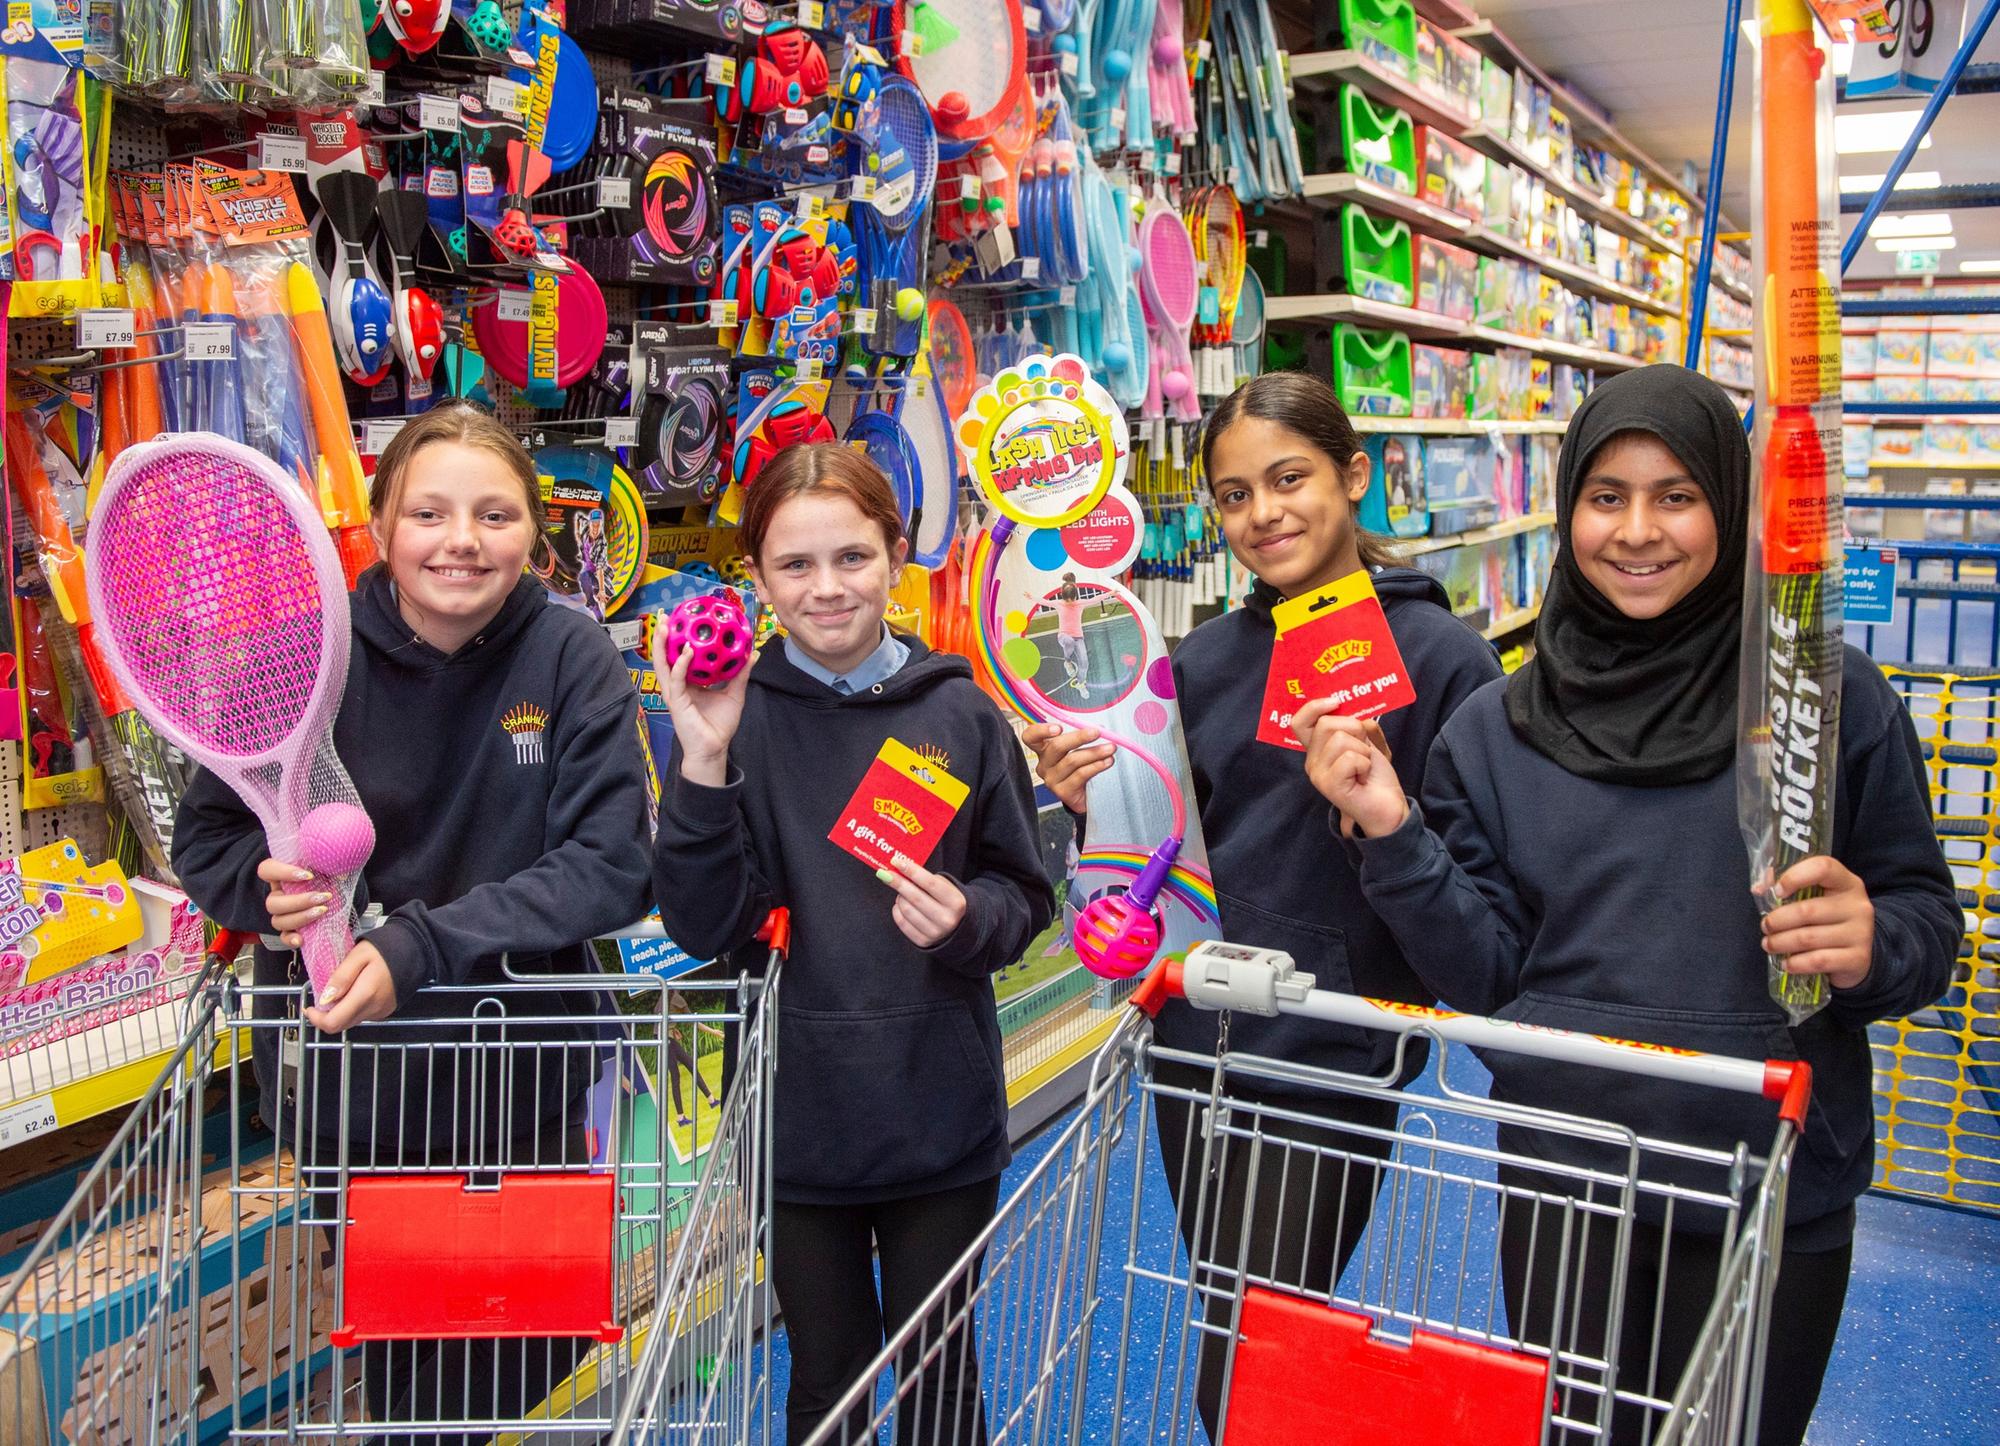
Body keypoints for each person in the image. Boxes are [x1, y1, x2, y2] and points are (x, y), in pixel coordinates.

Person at [1301, 364, 1961, 1445]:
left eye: (1677, 495)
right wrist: (1392, 829)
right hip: (1571, 1189)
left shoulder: (1825, 706)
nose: (1638, 531)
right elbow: (1485, 980)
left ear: (1728, 507)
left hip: (1771, 1190)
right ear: (1568, 511)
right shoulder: (1492, 733)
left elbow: (1925, 923)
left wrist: (1874, 940)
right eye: (1606, 496)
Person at [1026, 370, 1503, 1439]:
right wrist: (1099, 800)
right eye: (1234, 496)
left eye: (1289, 480)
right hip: (1195, 1042)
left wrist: (1381, 814)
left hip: (1329, 1055)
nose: (1263, 515)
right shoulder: (1198, 662)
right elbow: (1167, 849)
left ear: (1354, 476)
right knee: (1227, 1308)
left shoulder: (1444, 662)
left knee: (1245, 1356)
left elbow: (1470, 889)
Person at [173, 403, 654, 1443]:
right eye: (429, 513)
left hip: (518, 1081)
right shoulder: (305, 655)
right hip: (357, 1094)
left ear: (533, 530)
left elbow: (612, 863)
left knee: (524, 1347)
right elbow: (207, 839)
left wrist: (422, 945)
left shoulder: (569, 655)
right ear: (383, 524)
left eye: (495, 515)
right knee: (408, 1378)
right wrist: (263, 887)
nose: (461, 541)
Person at [650, 443, 1055, 1445]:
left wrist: (969, 918)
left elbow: (1023, 892)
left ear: (896, 555)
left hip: (938, 1109)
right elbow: (702, 925)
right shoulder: (729, 717)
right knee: (825, 1379)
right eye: (795, 565)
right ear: (756, 578)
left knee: (940, 1375)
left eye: (852, 557)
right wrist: (703, 761)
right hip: (795, 1118)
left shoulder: (959, 711)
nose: (826, 588)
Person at [1053, 573, 1089, 696]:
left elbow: (1094, 599)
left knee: (1084, 663)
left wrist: (1111, 593)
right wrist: (1031, 597)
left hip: (1078, 636)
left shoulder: (1077, 601)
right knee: (1069, 641)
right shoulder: (1060, 603)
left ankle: (1081, 683)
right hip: (1064, 635)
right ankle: (1067, 662)